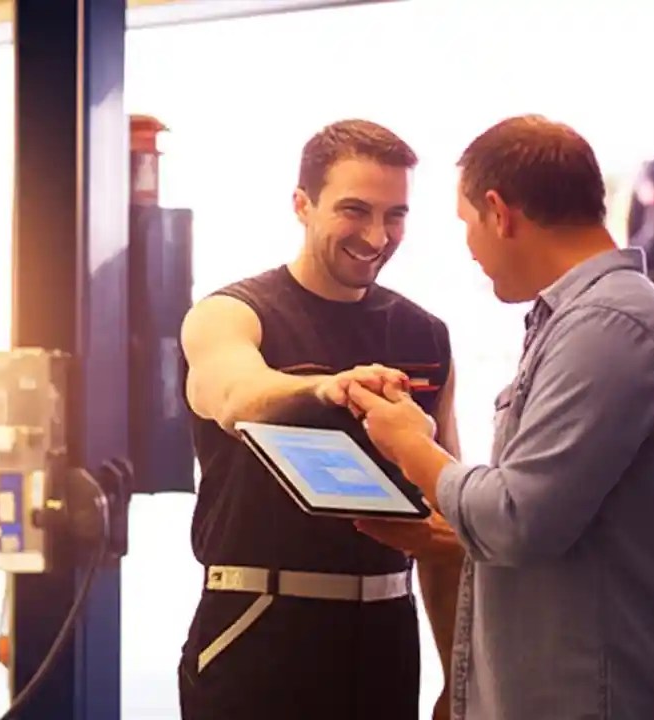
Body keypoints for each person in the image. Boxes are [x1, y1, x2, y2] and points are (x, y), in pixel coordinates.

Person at [347, 115, 654, 719]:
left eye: (467, 225)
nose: (470, 248)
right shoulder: (580, 322)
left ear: (500, 212)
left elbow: (515, 518)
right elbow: (572, 520)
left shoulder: (611, 326)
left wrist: (414, 445)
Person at [177, 118, 464, 720]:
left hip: (387, 634)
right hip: (257, 628)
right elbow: (236, 396)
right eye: (354, 210)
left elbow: (446, 524)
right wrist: (327, 387)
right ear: (302, 205)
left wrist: (456, 676)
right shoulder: (233, 314)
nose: (376, 235)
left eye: (396, 215)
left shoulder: (425, 334)